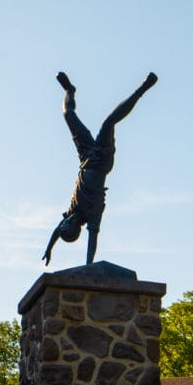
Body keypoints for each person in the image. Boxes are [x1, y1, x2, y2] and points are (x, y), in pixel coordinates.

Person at [43, 70, 158, 265]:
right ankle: (143, 88)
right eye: (70, 223)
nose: (68, 220)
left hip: (86, 156)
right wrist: (89, 265)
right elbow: (93, 240)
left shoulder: (70, 212)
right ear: (77, 228)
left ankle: (70, 91)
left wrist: (49, 248)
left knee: (68, 114)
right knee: (108, 123)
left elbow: (57, 229)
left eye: (65, 221)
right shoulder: (92, 214)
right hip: (102, 161)